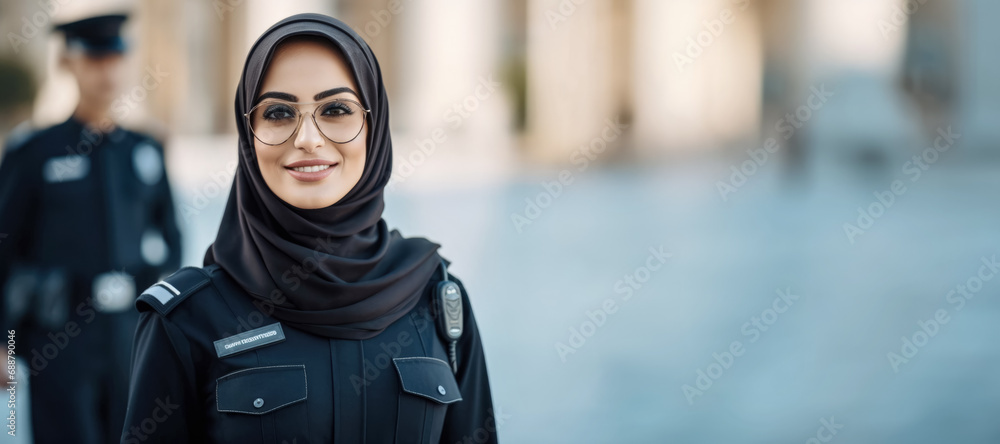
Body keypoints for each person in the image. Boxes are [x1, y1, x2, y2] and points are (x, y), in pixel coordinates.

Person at [122, 13, 498, 443]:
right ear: (249, 135)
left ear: (374, 129)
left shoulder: (439, 301)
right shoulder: (187, 320)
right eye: (279, 113)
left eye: (336, 109)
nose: (307, 138)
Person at [0, 13, 183, 444]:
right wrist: (3, 342)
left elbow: (171, 238)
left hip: (130, 340)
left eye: (116, 58)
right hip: (60, 339)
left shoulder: (145, 149)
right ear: (69, 64)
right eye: (94, 59)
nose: (107, 71)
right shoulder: (34, 152)